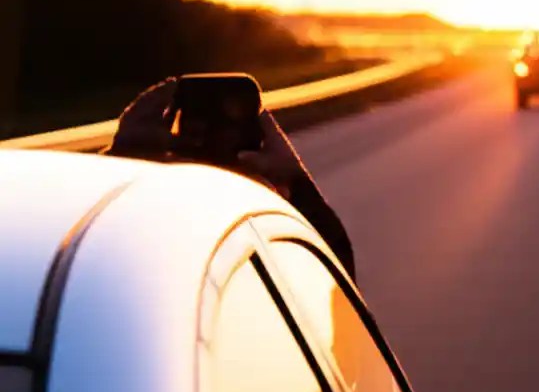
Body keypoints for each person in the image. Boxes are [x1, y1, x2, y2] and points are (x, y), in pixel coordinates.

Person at [104, 77, 357, 279]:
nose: (213, 135)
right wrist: (298, 184)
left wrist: (119, 161)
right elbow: (333, 282)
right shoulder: (257, 232)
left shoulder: (139, 248)